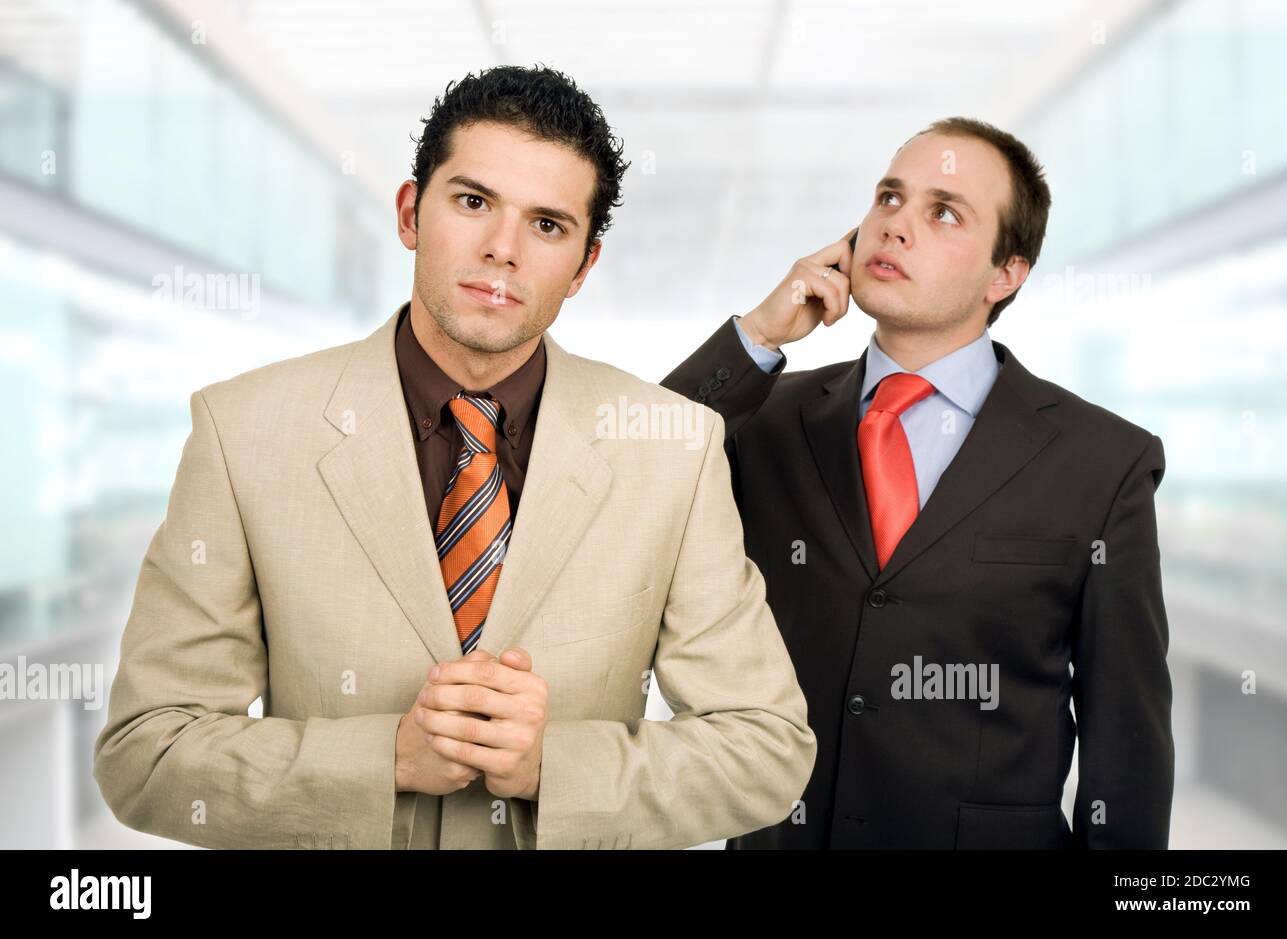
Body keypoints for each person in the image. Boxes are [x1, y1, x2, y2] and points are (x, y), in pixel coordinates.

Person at [94, 65, 815, 850]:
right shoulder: (242, 432)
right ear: (410, 212)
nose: (503, 250)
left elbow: (767, 751)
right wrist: (384, 760)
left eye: (547, 225)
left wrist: (553, 765)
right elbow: (147, 752)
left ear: (583, 267)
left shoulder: (674, 450)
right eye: (473, 202)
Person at [664, 117, 1174, 849]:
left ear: (1007, 273)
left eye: (943, 212)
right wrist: (757, 338)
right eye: (888, 198)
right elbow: (629, 480)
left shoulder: (1101, 461)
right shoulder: (769, 418)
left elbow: (1127, 741)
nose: (897, 226)